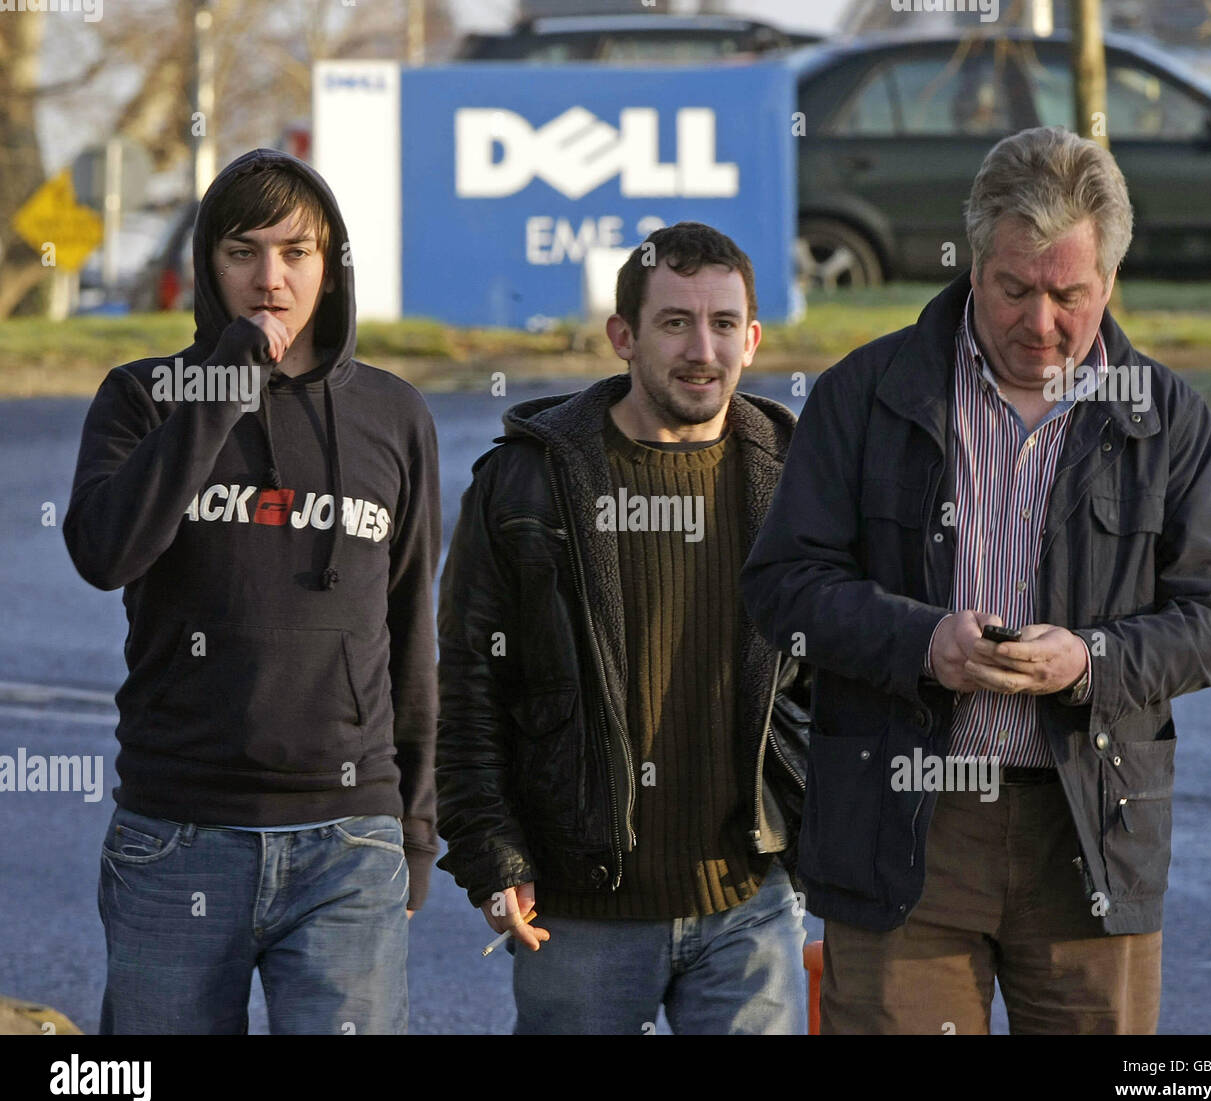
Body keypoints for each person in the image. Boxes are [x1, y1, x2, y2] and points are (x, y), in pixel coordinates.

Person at [741, 126, 1211, 1035]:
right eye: (1016, 289)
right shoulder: (864, 394)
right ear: (975, 264)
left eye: (1071, 295)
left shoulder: (1165, 416)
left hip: (1093, 830)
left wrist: (1090, 660)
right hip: (905, 825)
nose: (1042, 321)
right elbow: (783, 587)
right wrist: (922, 645)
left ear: (1110, 281)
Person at [64, 149, 440, 1034]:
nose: (270, 278)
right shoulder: (143, 399)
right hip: (177, 834)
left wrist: (414, 831)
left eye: (296, 252)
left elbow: (412, 632)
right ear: (207, 264)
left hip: (349, 840)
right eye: (243, 252)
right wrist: (224, 381)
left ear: (331, 266)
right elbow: (105, 552)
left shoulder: (394, 416)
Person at [436, 222, 809, 1035]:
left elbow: (833, 680)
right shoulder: (526, 482)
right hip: (579, 913)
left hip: (748, 906)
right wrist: (490, 853)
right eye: (674, 323)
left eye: (721, 325)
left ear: (751, 337)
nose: (701, 350)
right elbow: (467, 686)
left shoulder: (797, 481)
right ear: (623, 338)